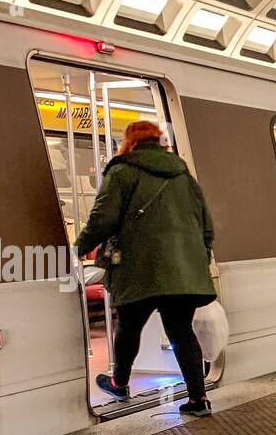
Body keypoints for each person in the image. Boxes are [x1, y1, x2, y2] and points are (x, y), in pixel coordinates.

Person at [75, 120, 216, 417]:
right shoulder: (183, 174)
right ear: (159, 142)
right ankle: (198, 398)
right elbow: (206, 226)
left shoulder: (122, 171)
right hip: (183, 272)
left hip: (138, 268)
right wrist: (198, 262)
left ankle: (119, 382)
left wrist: (76, 246)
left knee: (128, 327)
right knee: (180, 330)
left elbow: (103, 218)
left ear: (129, 142)